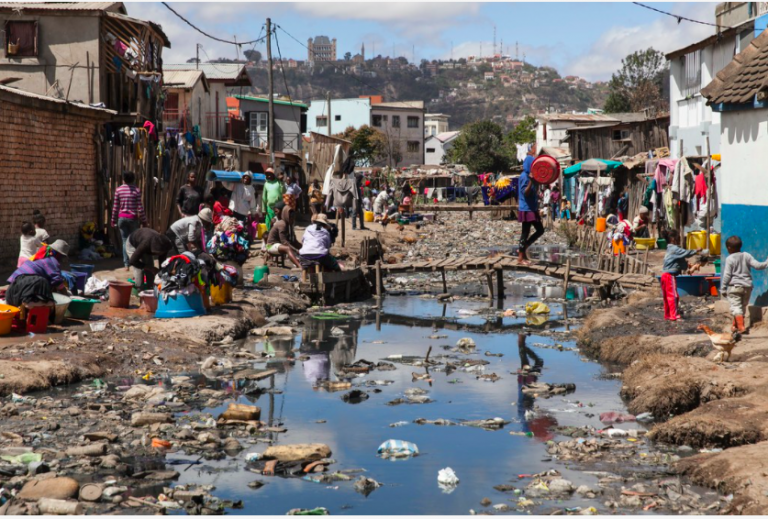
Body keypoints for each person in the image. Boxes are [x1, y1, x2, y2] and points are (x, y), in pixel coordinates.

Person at [721, 235, 768, 334]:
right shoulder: (746, 255)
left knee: (736, 307)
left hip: (735, 287)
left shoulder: (730, 259)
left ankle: (741, 327)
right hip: (747, 287)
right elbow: (758, 266)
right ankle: (735, 326)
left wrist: (723, 288)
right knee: (742, 307)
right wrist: (766, 262)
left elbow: (727, 275)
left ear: (729, 248)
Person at [6, 240, 69, 308]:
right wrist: (67, 297)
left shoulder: (39, 257)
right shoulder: (52, 261)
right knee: (43, 283)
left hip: (12, 289)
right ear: (59, 254)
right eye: (62, 257)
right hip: (24, 286)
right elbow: (57, 282)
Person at [111, 171, 147, 270]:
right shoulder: (136, 190)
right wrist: (144, 221)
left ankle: (126, 264)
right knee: (134, 242)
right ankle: (134, 262)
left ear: (124, 179)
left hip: (121, 218)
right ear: (133, 179)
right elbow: (140, 208)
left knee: (124, 241)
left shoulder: (119, 190)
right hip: (132, 219)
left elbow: (115, 207)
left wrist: (113, 220)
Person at [661, 230, 700, 321]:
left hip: (664, 275)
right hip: (669, 276)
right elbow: (686, 253)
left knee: (667, 297)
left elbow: (680, 260)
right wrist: (696, 250)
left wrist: (687, 265)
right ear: (673, 239)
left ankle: (668, 315)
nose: (679, 240)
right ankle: (674, 316)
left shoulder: (670, 248)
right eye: (678, 238)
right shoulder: (674, 248)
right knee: (673, 296)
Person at [517, 147, 544, 264]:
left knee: (540, 230)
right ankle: (520, 257)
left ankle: (524, 247)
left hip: (531, 208)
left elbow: (534, 191)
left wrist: (536, 182)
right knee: (525, 232)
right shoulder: (524, 176)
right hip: (526, 209)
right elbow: (525, 192)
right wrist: (531, 182)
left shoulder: (531, 177)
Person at [265, 203, 302, 268]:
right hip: (271, 246)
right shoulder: (282, 224)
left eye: (293, 218)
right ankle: (299, 266)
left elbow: (294, 241)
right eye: (291, 218)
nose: (293, 220)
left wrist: (303, 247)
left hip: (278, 245)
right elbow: (284, 242)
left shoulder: (288, 225)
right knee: (287, 248)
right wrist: (296, 250)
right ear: (286, 216)